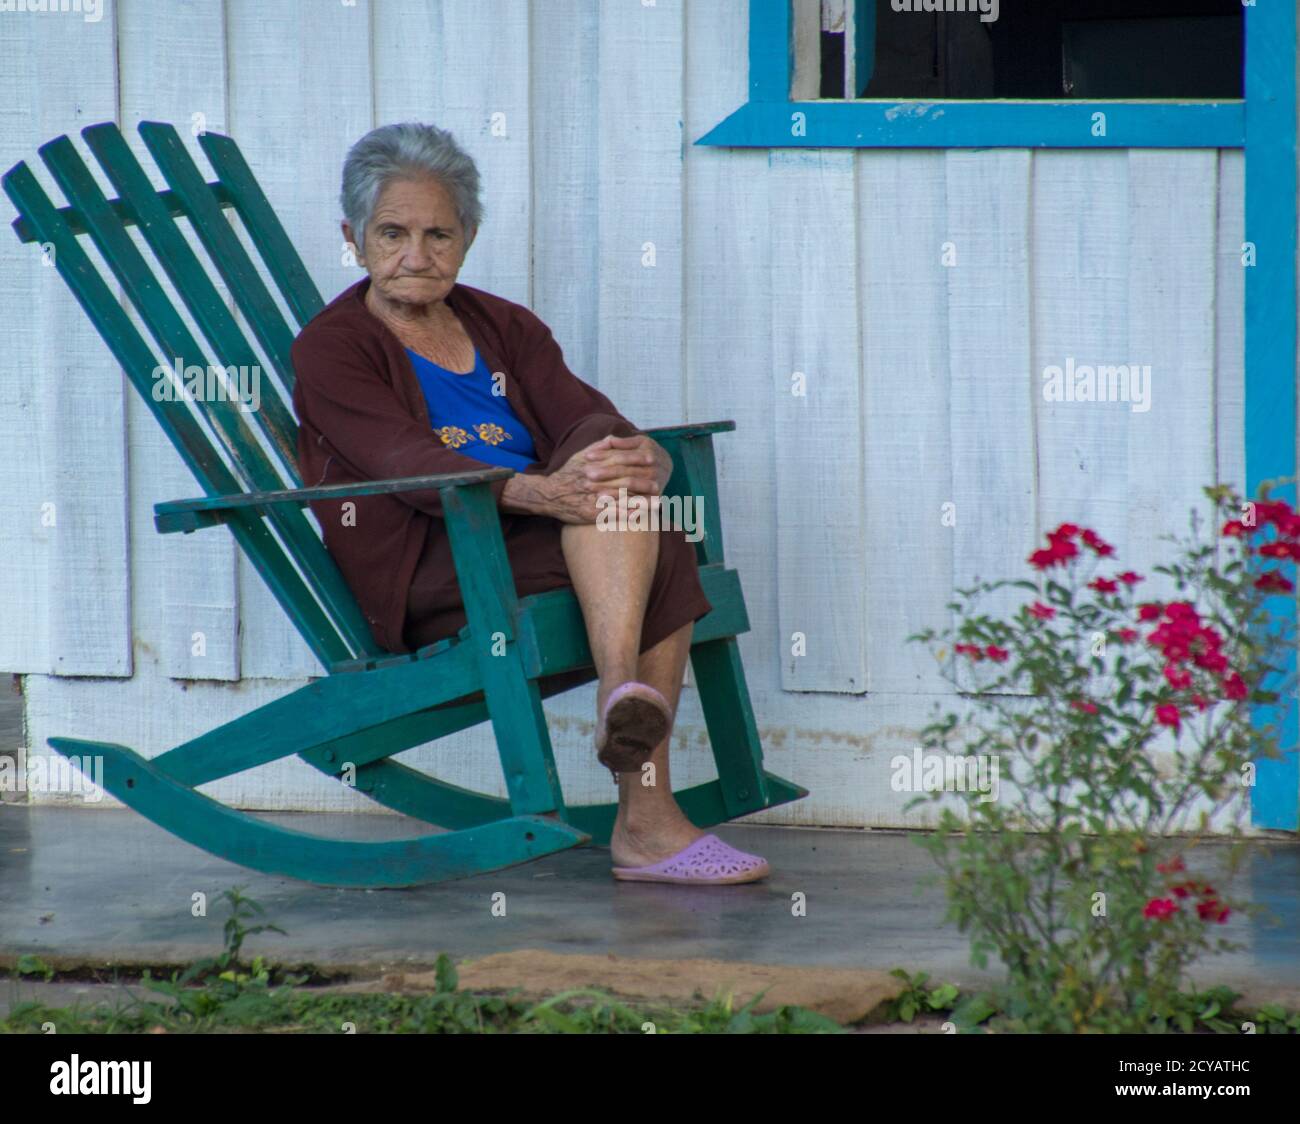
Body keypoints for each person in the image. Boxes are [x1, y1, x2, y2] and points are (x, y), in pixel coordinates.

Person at [291, 123, 769, 884]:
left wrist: (644, 452)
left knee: (629, 487)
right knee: (652, 539)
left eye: (439, 233)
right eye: (393, 233)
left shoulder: (503, 326)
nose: (417, 255)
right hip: (434, 561)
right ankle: (643, 811)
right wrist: (535, 491)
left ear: (469, 237)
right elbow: (401, 462)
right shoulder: (334, 347)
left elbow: (582, 414)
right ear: (352, 238)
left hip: (534, 536)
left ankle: (623, 706)